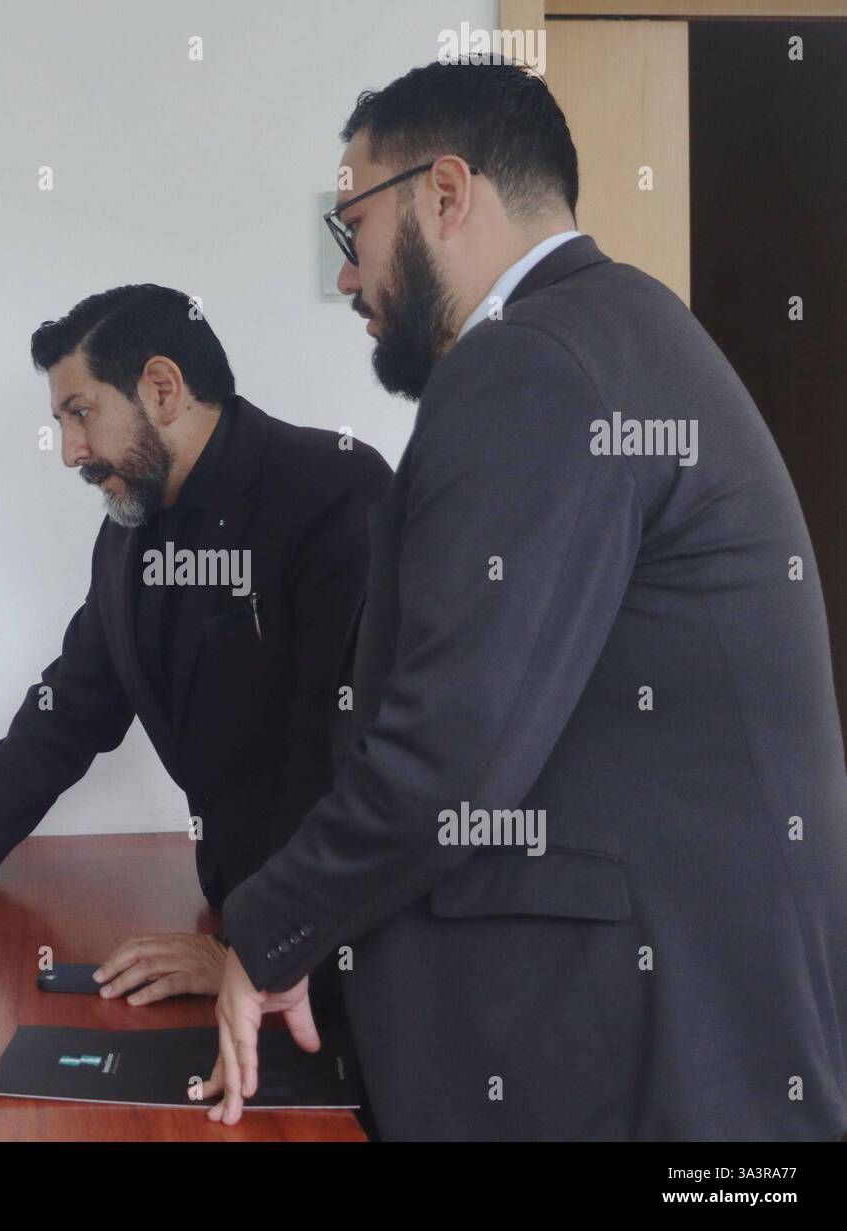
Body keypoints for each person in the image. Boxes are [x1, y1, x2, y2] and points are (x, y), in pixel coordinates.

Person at [202, 61, 847, 1141]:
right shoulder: (613, 328)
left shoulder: (535, 365)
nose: (350, 274)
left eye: (349, 223)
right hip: (685, 1020)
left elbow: (449, 747)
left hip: (627, 1045)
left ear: (443, 193)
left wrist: (268, 929)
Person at [0, 284, 390, 1016]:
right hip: (231, 929)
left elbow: (341, 751)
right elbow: (74, 701)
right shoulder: (128, 527)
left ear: (161, 387)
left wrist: (253, 947)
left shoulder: (335, 489)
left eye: (80, 413)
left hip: (345, 952)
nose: (71, 452)